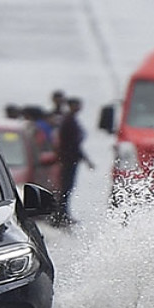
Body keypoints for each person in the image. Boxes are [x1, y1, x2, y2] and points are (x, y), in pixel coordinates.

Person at [54, 96, 94, 226]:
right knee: (65, 187)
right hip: (68, 159)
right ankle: (61, 214)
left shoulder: (71, 120)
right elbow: (72, 144)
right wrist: (85, 159)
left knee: (68, 187)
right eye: (76, 105)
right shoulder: (68, 121)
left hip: (71, 159)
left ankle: (63, 213)